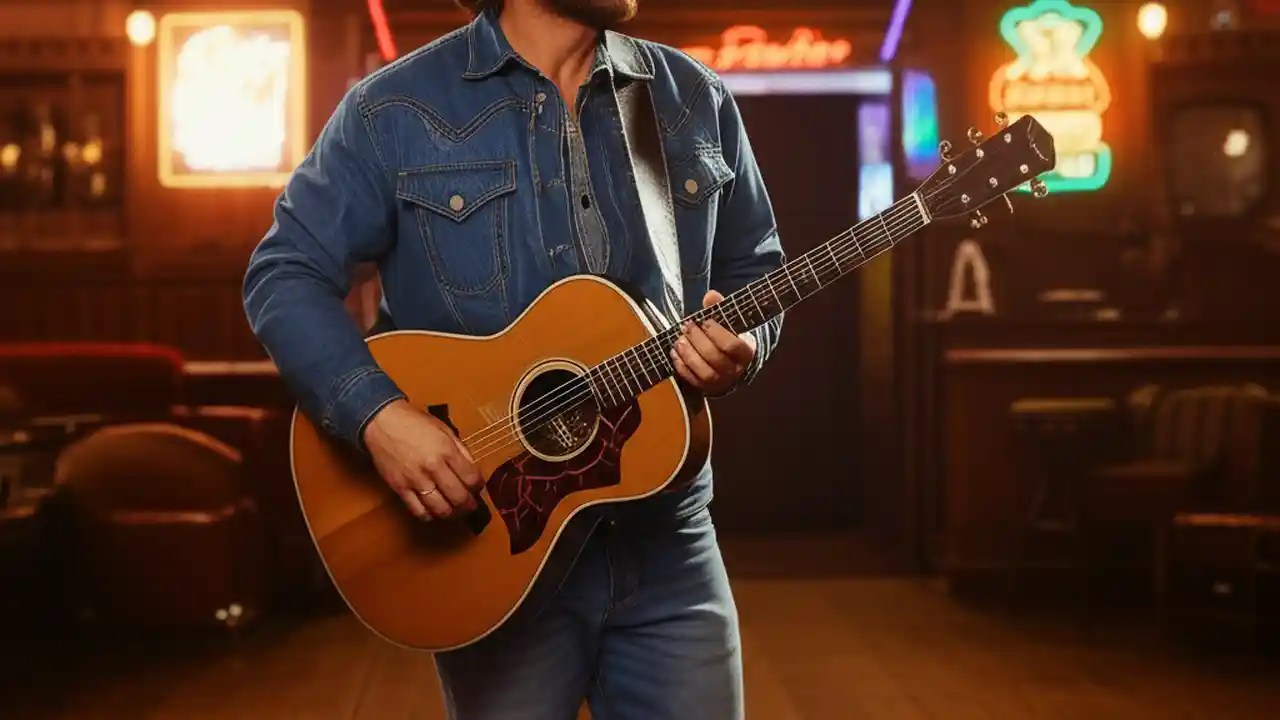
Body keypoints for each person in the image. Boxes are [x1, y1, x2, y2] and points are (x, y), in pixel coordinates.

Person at [243, 0, 784, 717]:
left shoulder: (692, 97)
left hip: (668, 539)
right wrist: (379, 416)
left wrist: (744, 344)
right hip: (493, 539)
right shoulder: (391, 110)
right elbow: (284, 274)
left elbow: (756, 272)